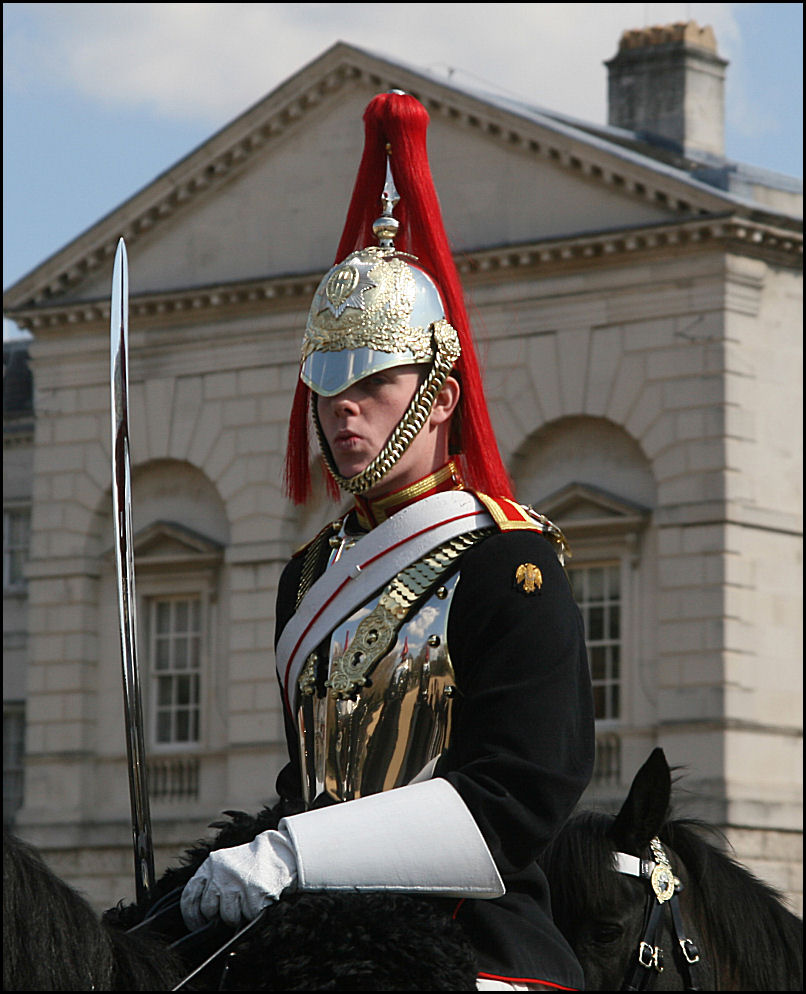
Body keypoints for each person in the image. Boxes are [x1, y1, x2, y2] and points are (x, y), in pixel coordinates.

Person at [181, 91, 595, 991]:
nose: (342, 404)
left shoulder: (507, 566)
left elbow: (517, 802)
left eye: (373, 378)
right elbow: (314, 783)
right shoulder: (310, 574)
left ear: (440, 397)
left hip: (471, 929)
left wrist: (294, 851)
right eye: (328, 380)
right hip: (313, 912)